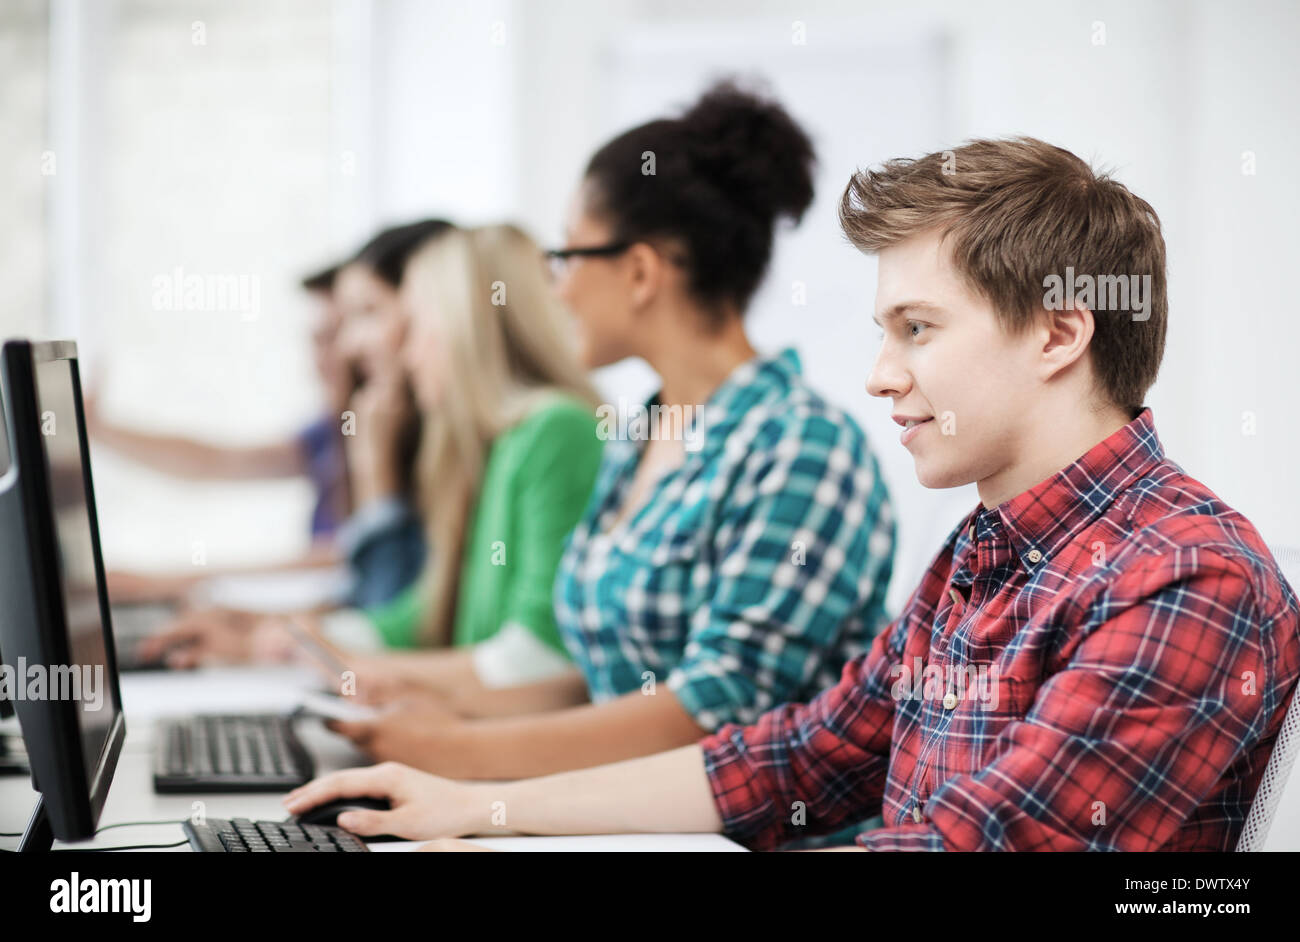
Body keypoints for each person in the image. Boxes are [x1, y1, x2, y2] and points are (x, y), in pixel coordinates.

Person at [285, 137, 1300, 852]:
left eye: (916, 328)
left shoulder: (1182, 577)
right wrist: (478, 807)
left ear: (1058, 333)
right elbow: (799, 757)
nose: (878, 374)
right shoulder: (981, 553)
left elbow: (978, 844)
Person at [318, 81, 896, 781]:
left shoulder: (801, 446)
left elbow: (712, 710)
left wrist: (460, 753)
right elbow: (603, 683)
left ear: (642, 271)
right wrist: (445, 706)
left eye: (569, 254)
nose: (555, 287)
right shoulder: (637, 436)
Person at [145, 224, 606, 698]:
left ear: (462, 329)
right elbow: (421, 616)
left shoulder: (554, 430)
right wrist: (283, 636)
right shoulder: (502, 442)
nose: (405, 357)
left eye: (417, 328)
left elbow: (536, 659)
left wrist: (337, 660)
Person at [87, 262, 354, 603]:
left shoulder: (388, 438)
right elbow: (219, 461)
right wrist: (98, 430)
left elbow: (345, 560)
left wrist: (167, 583)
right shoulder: (333, 430)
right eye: (315, 341)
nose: (318, 361)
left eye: (331, 338)